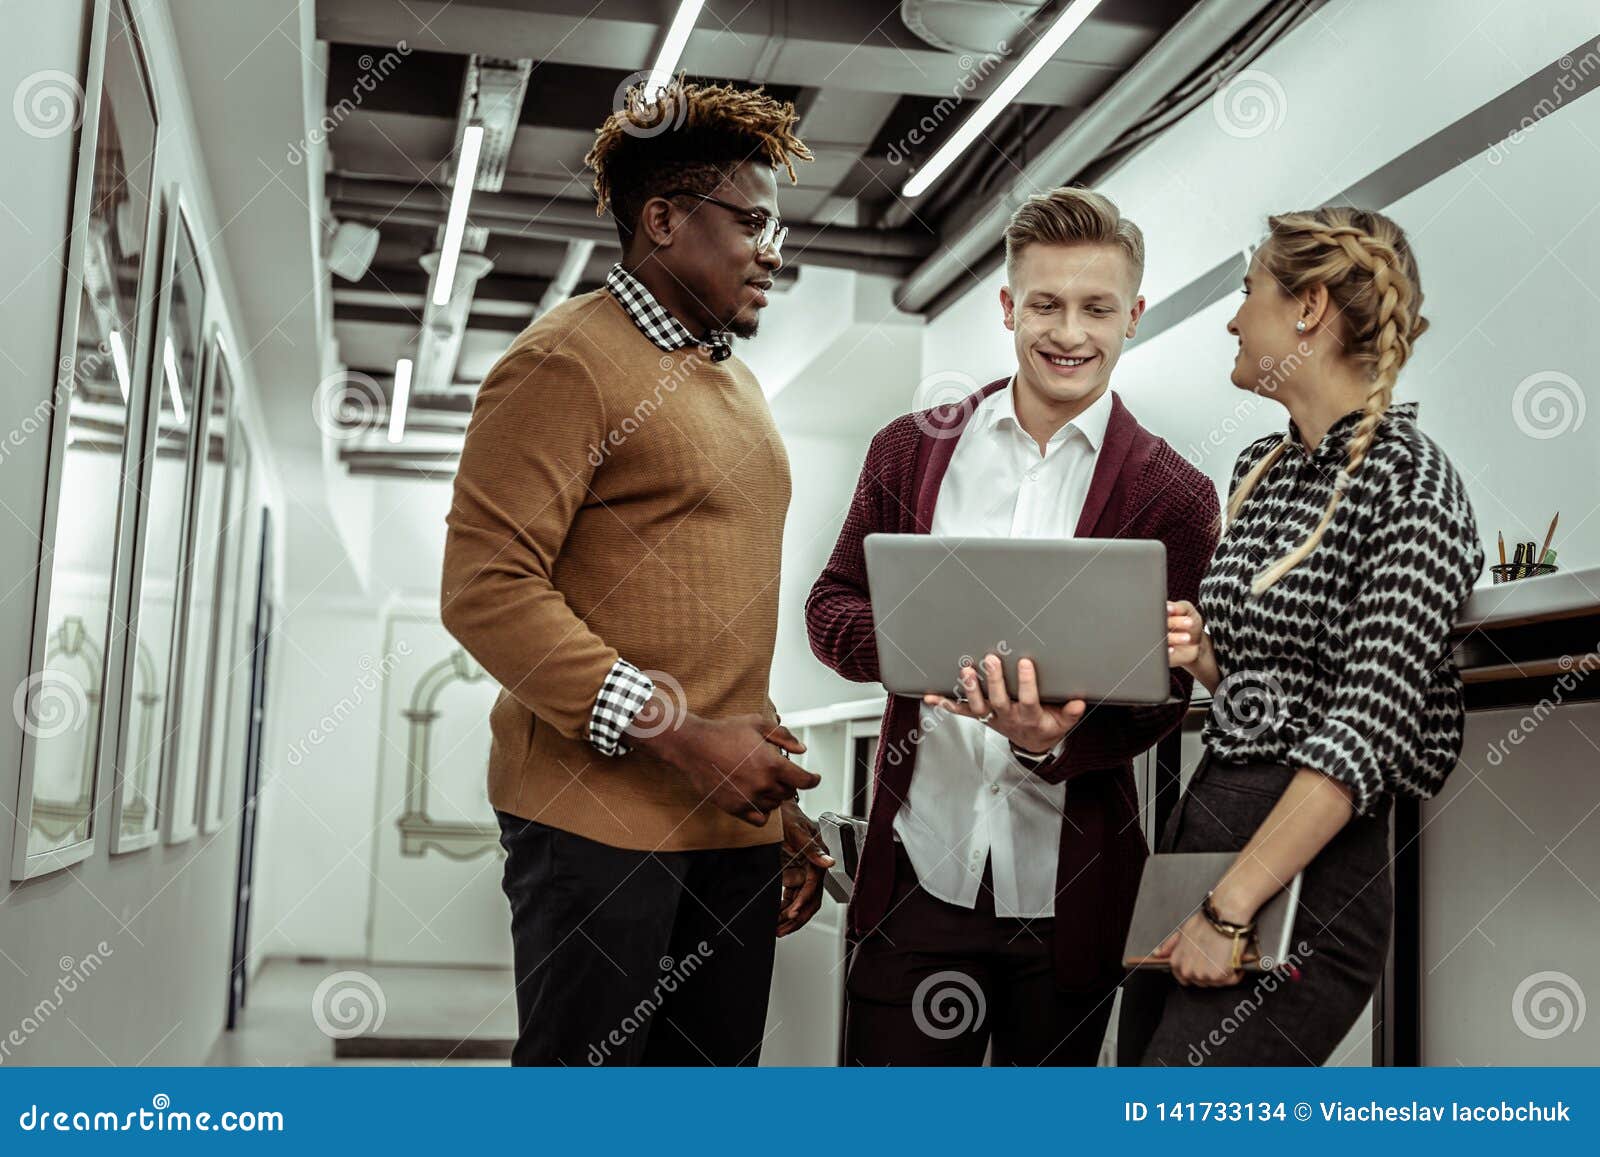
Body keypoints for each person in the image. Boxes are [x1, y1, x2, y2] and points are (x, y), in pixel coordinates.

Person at [440, 78, 832, 1067]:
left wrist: (769, 791)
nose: (771, 250)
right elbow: (486, 589)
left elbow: (711, 616)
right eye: (750, 221)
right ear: (662, 220)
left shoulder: (733, 382)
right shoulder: (563, 363)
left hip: (727, 830)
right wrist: (686, 736)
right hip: (594, 829)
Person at [806, 187, 1221, 1065]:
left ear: (1134, 316)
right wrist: (926, 651)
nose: (1070, 332)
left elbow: (1163, 695)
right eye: (1046, 303)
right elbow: (831, 607)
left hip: (1071, 895)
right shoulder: (911, 449)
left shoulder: (1174, 496)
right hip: (920, 869)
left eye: (1097, 308)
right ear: (1008, 307)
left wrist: (1045, 742)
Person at [1117, 206, 1483, 1066]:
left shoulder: (1413, 484)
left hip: (1305, 867)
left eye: (1249, 293)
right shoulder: (1261, 468)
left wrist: (1227, 909)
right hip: (1206, 821)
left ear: (1308, 308)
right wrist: (1209, 660)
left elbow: (1362, 734)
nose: (1236, 318)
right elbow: (1264, 696)